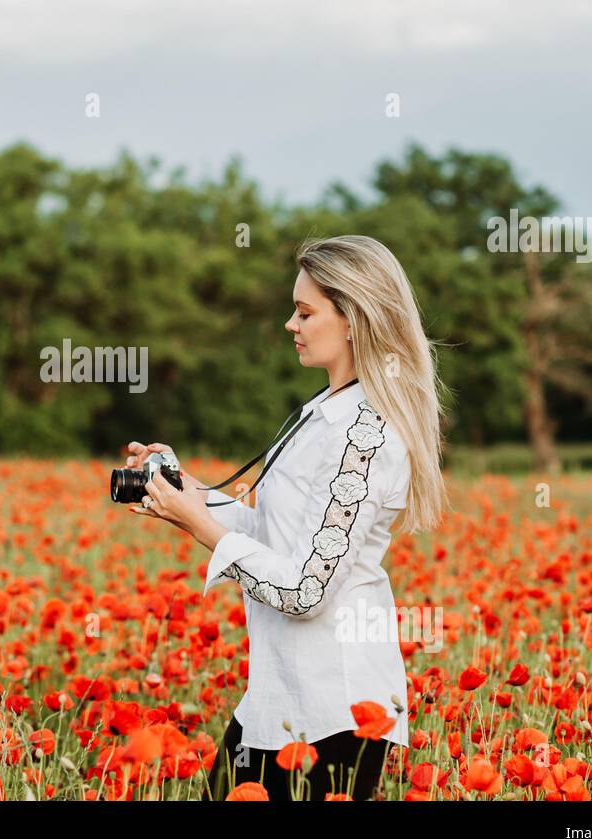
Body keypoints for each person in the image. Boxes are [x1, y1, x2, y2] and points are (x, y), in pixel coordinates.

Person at [125, 235, 448, 801]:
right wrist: (188, 496)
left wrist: (200, 525)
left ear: (354, 319)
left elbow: (306, 589)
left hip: (336, 709)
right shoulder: (324, 411)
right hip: (280, 696)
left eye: (304, 312)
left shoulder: (366, 436)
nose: (288, 324)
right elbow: (277, 538)